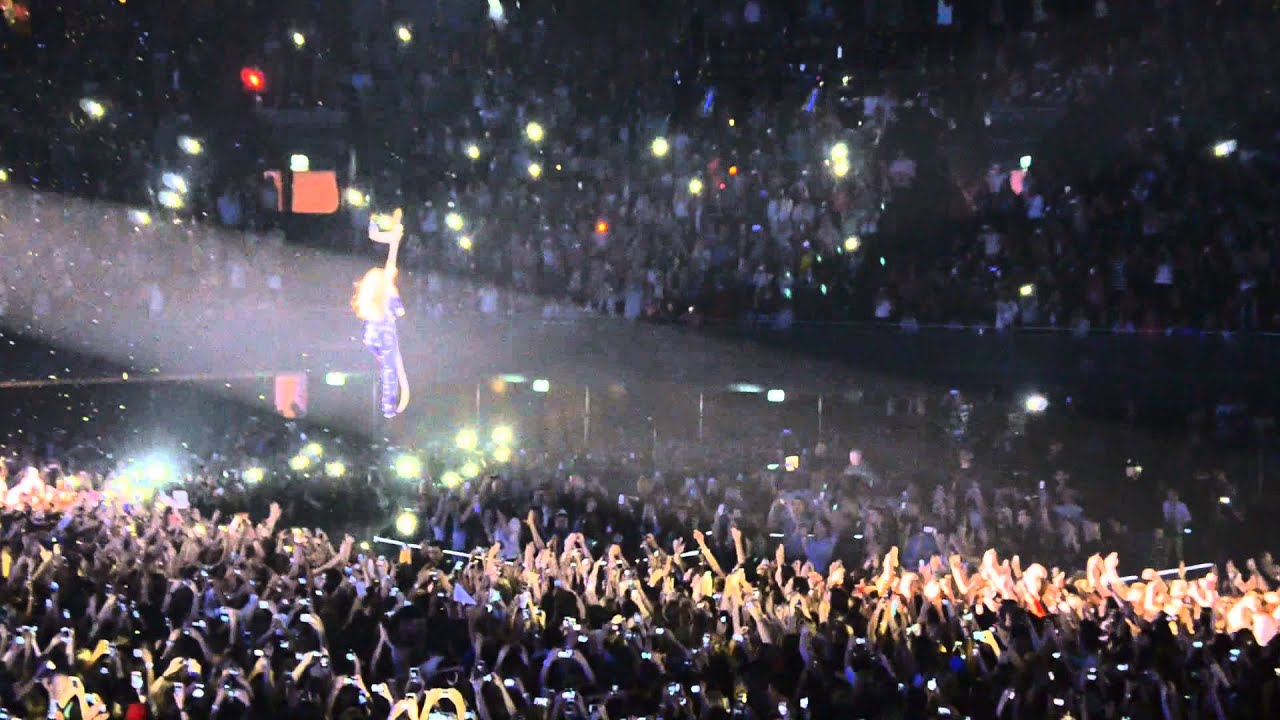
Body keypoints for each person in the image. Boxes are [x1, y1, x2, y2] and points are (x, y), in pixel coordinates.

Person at [354, 209, 410, 418]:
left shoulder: (372, 296)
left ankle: (388, 406)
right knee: (389, 370)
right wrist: (393, 288)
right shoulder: (386, 293)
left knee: (389, 367)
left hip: (372, 337)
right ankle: (388, 407)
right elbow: (399, 311)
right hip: (383, 335)